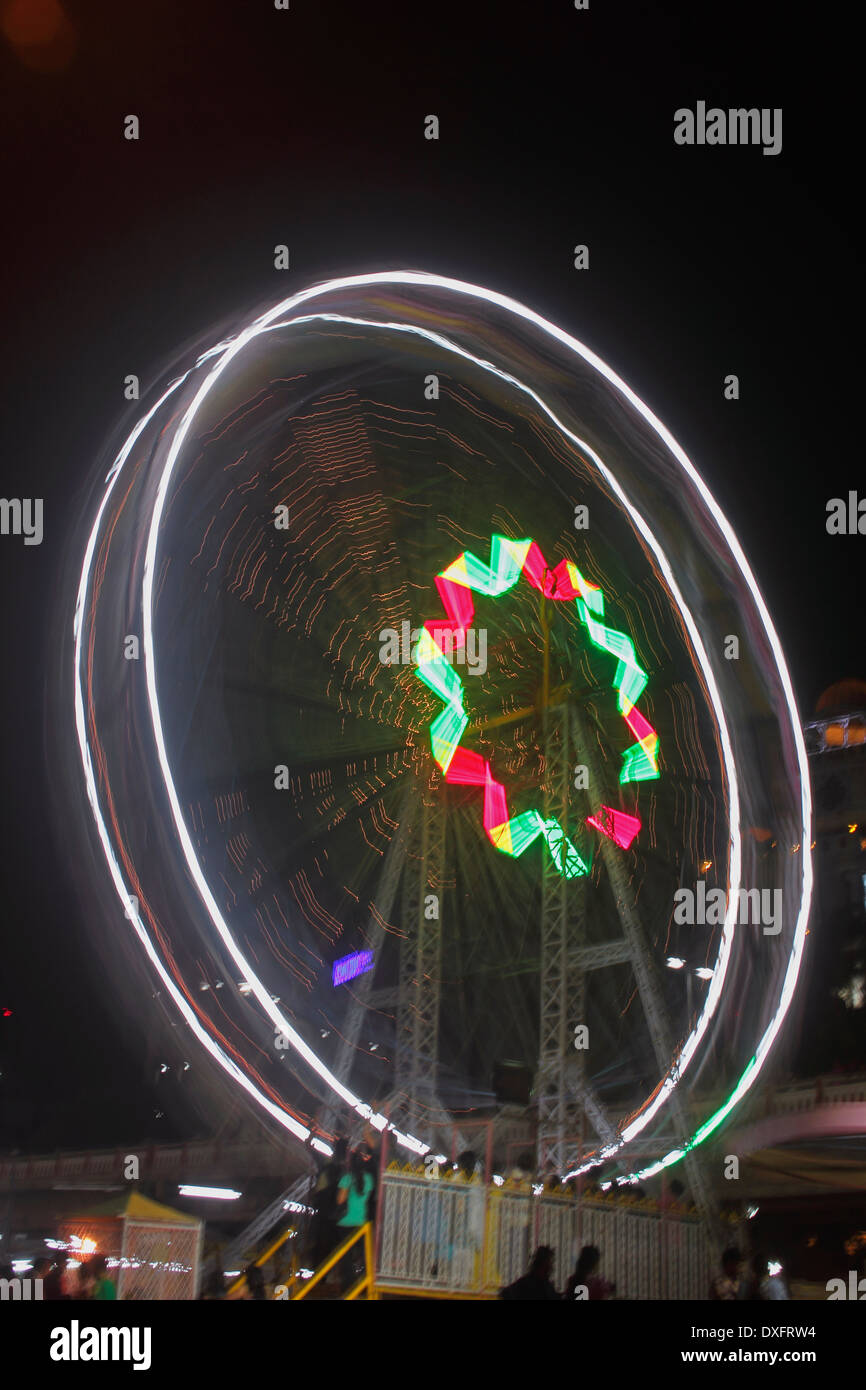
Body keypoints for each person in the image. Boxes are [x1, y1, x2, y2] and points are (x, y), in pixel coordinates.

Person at [336, 1148, 375, 1291]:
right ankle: (365, 1286)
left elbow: (340, 1200)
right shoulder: (369, 1179)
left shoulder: (347, 1178)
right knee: (364, 1256)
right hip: (361, 1223)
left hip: (346, 1223)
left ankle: (348, 1286)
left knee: (346, 1258)